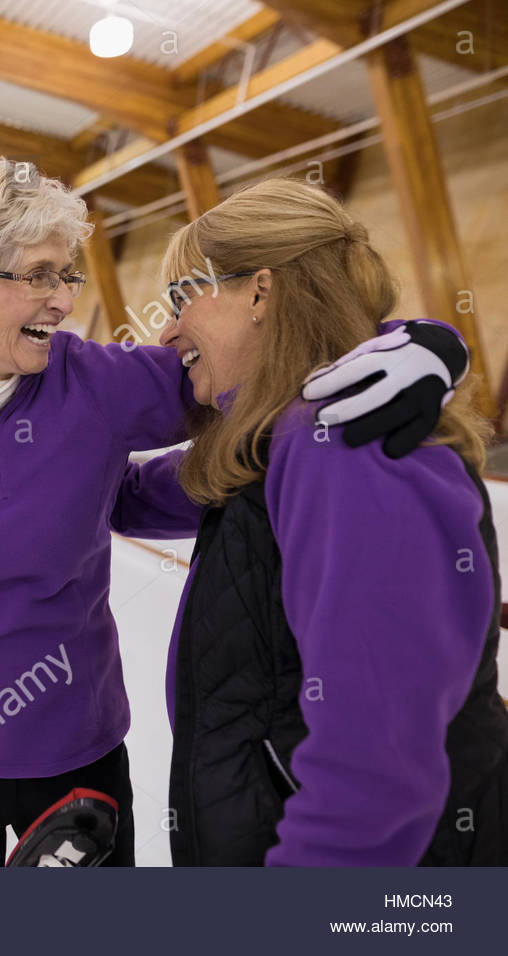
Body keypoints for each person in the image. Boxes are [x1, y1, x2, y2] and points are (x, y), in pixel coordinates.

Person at [0, 158, 469, 867]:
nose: (64, 299)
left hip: (76, 754)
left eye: (67, 274)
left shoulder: (100, 384)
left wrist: (422, 339)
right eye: (39, 274)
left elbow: (285, 347)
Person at [143, 178, 508, 865]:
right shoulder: (273, 438)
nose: (164, 330)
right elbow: (127, 491)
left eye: (181, 298)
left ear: (260, 291)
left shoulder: (348, 440)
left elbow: (377, 773)